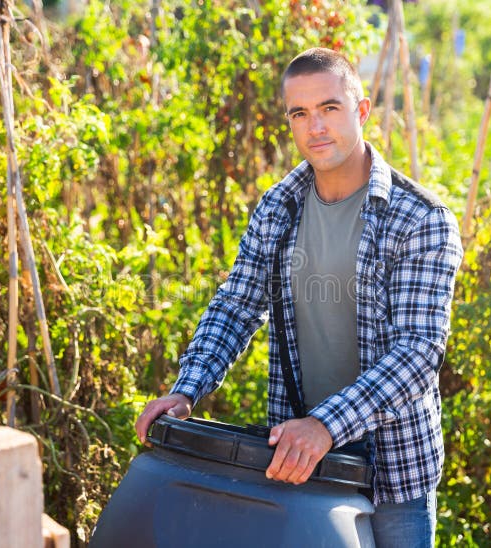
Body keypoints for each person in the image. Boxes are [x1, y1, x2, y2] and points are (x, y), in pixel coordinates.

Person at [135, 47, 463, 547]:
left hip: (394, 471)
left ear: (362, 110)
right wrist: (187, 389)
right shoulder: (278, 205)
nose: (316, 127)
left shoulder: (420, 218)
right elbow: (238, 304)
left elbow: (417, 353)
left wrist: (324, 425)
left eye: (330, 108)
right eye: (300, 114)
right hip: (300, 464)